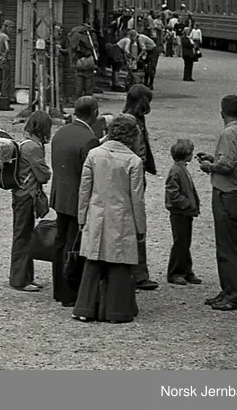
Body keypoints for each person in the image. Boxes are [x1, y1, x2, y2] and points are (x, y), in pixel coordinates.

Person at [73, 114, 147, 324]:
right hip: (122, 218)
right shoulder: (133, 161)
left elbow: (84, 190)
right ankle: (116, 311)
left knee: (93, 263)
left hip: (96, 215)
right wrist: (141, 227)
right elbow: (137, 200)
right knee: (119, 265)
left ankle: (84, 308)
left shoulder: (94, 154)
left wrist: (82, 217)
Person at [197, 94, 237, 312]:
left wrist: (210, 167)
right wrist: (215, 159)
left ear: (222, 112)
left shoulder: (228, 133)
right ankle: (228, 289)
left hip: (227, 194)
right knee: (229, 245)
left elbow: (227, 165)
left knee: (227, 248)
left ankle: (234, 295)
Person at [50, 96, 102, 306]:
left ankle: (58, 288)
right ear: (94, 113)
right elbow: (91, 173)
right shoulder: (88, 139)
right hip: (77, 198)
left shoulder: (61, 132)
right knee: (74, 246)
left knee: (60, 242)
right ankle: (70, 292)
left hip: (60, 194)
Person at [119, 84, 159, 291]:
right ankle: (137, 273)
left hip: (134, 175)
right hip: (133, 176)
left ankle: (135, 271)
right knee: (135, 222)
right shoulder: (131, 123)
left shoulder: (130, 120)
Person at [10, 112, 53, 293]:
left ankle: (26, 276)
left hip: (21, 193)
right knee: (23, 236)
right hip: (27, 195)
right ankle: (19, 279)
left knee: (24, 234)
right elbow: (43, 175)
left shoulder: (24, 143)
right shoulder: (33, 147)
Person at [164, 138, 202, 285]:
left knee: (185, 242)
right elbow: (172, 192)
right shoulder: (176, 170)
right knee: (180, 242)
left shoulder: (181, 168)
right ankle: (175, 272)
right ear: (186, 154)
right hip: (179, 212)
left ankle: (186, 270)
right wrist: (186, 204)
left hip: (185, 212)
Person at [70, 23, 98, 100]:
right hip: (88, 62)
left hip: (78, 63)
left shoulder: (74, 36)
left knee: (79, 87)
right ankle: (88, 103)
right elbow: (93, 48)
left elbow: (73, 50)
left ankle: (78, 102)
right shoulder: (89, 38)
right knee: (88, 87)